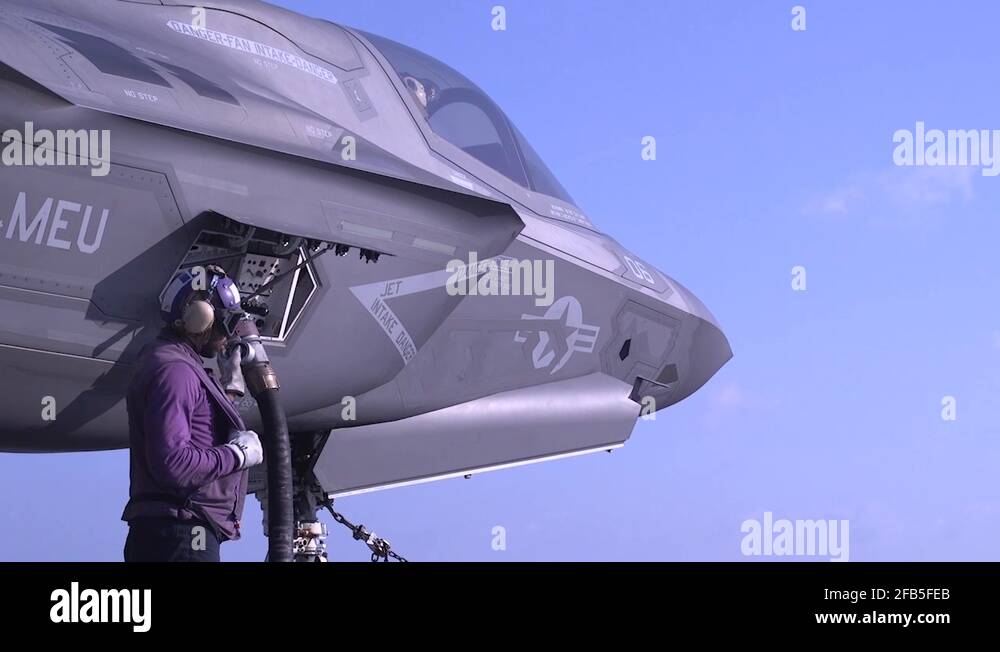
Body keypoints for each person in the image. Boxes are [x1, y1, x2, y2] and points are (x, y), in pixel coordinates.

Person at [121, 265, 263, 562]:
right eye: (226, 321)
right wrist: (236, 455)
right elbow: (175, 464)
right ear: (201, 318)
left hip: (175, 533)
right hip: (180, 534)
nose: (229, 334)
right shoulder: (175, 370)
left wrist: (230, 390)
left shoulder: (175, 364)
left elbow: (195, 430)